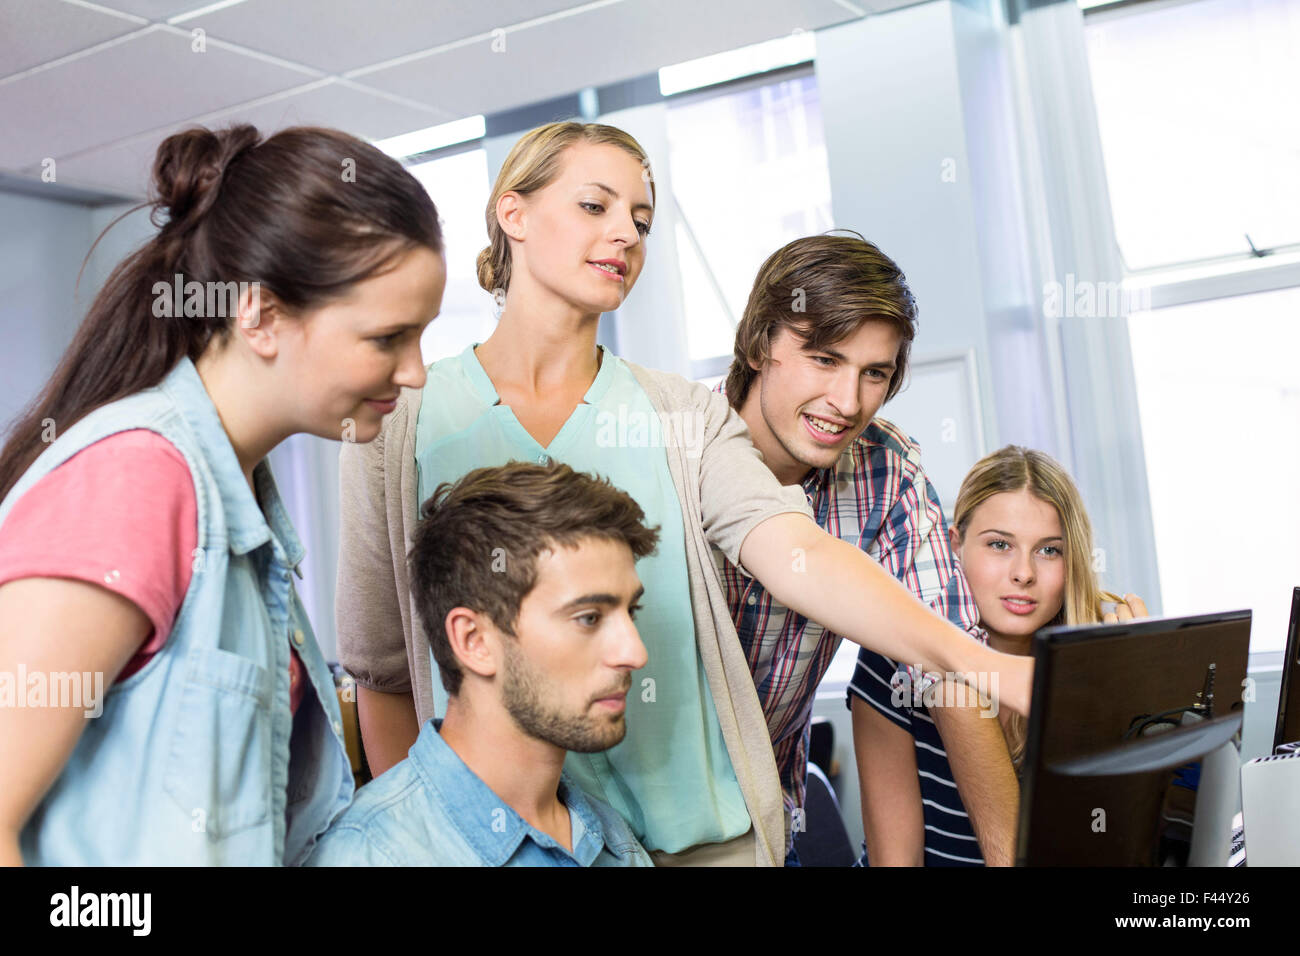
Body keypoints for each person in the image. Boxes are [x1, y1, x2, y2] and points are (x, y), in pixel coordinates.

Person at [337, 121, 1035, 867]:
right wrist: (428, 838)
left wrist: (984, 663)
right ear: (514, 214)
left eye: (640, 221)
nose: (625, 236)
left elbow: (796, 549)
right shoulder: (400, 414)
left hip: (702, 846)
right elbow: (382, 669)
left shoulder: (681, 416)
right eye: (595, 206)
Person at [0, 124, 447, 865]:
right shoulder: (138, 480)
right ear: (262, 316)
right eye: (387, 338)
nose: (415, 372)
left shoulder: (241, 503)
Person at [716, 232, 1017, 866]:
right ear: (759, 343)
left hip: (762, 828)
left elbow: (949, 670)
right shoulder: (678, 448)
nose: (848, 403)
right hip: (619, 830)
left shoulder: (885, 470)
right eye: (824, 359)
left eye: (873, 373)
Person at [309, 462, 656, 866]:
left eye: (631, 611)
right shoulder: (371, 854)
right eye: (589, 618)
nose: (635, 653)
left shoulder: (614, 842)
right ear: (474, 641)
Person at [849, 445, 1148, 866]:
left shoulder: (1091, 663)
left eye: (1049, 550)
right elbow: (896, 862)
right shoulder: (894, 658)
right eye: (999, 545)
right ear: (955, 546)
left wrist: (1134, 698)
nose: (1023, 573)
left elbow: (1106, 844)